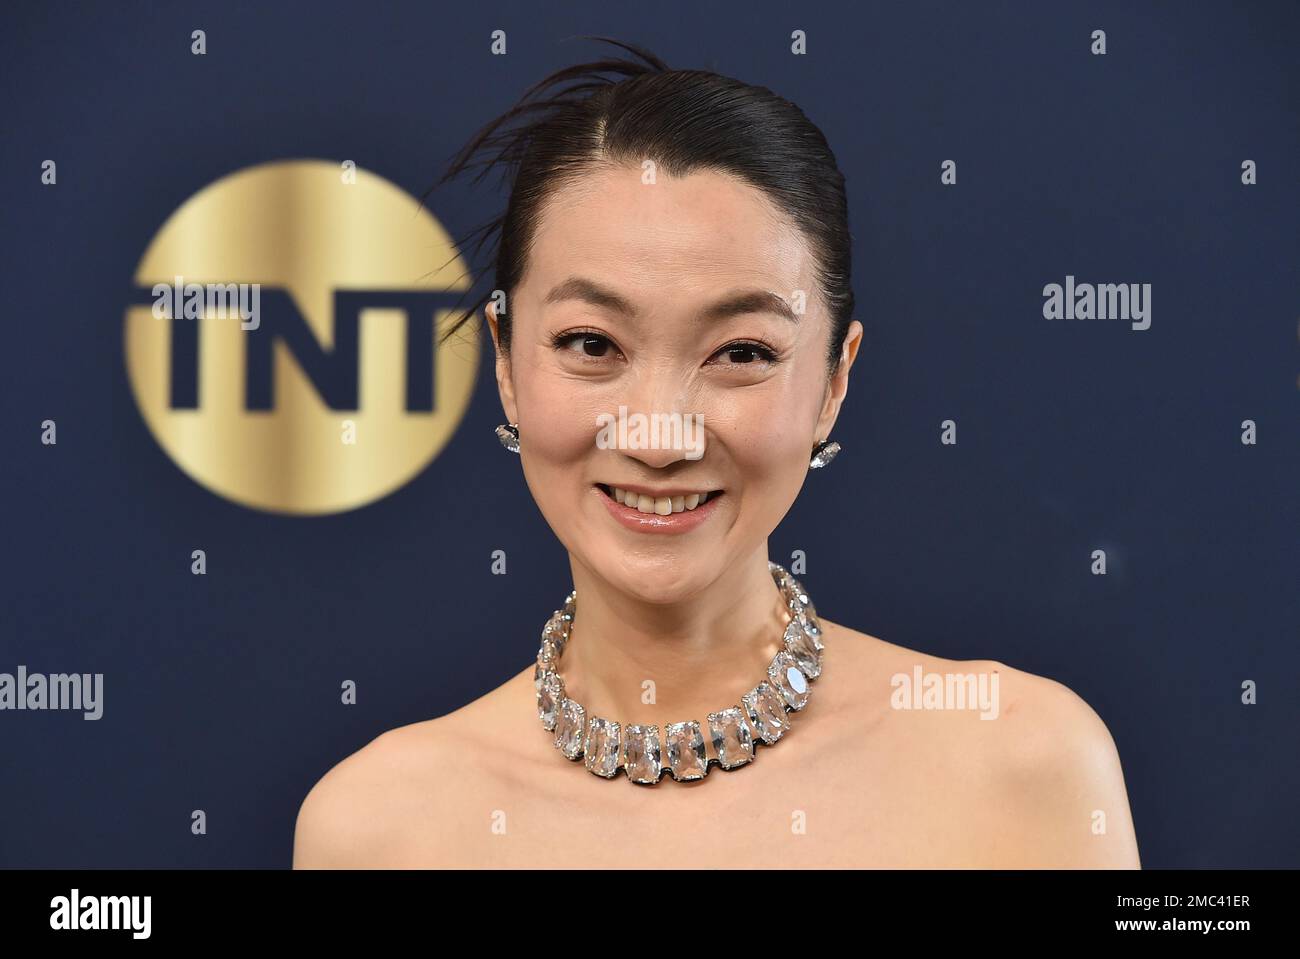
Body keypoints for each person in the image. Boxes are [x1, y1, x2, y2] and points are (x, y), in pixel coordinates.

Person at [293, 38, 1140, 868]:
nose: (659, 434)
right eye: (592, 343)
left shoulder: (1021, 760)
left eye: (741, 353)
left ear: (834, 382)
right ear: (508, 364)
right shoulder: (376, 829)